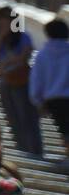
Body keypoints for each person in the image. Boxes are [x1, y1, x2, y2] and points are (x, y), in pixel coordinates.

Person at [0, 6, 43, 158]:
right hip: (5, 83)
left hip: (22, 82)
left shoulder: (23, 37)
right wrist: (1, 36)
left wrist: (6, 64)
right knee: (12, 117)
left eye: (8, 18)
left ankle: (35, 151)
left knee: (27, 117)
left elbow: (24, 56)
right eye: (2, 18)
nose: (4, 22)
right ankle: (22, 149)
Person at [30, 19, 69, 164]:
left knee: (65, 129)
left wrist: (38, 101)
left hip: (54, 100)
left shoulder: (43, 54)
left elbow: (37, 79)